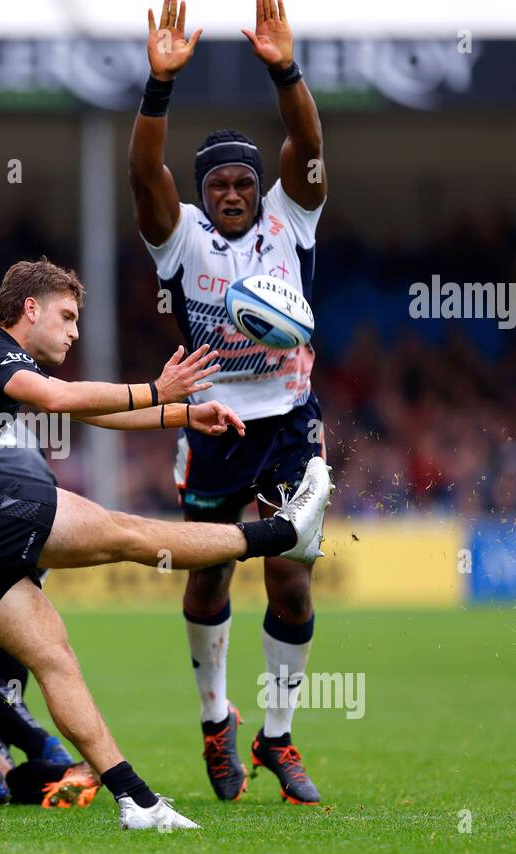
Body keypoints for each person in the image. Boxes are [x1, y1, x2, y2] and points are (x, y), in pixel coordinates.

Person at [0, 257, 331, 830]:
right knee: (128, 534)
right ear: (30, 309)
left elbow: (86, 412)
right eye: (68, 316)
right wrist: (155, 387)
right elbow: (58, 400)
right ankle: (281, 534)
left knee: (55, 656)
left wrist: (178, 412)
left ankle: (137, 802)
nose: (75, 332)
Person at [128, 0, 329, 803]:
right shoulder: (178, 235)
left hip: (287, 416)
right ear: (205, 191)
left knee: (290, 575)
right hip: (211, 421)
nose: (237, 193)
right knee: (210, 574)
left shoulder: (293, 216)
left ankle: (277, 737)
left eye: (247, 180)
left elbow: (309, 146)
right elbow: (145, 172)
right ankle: (216, 721)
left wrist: (284, 68)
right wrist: (158, 86)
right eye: (223, 184)